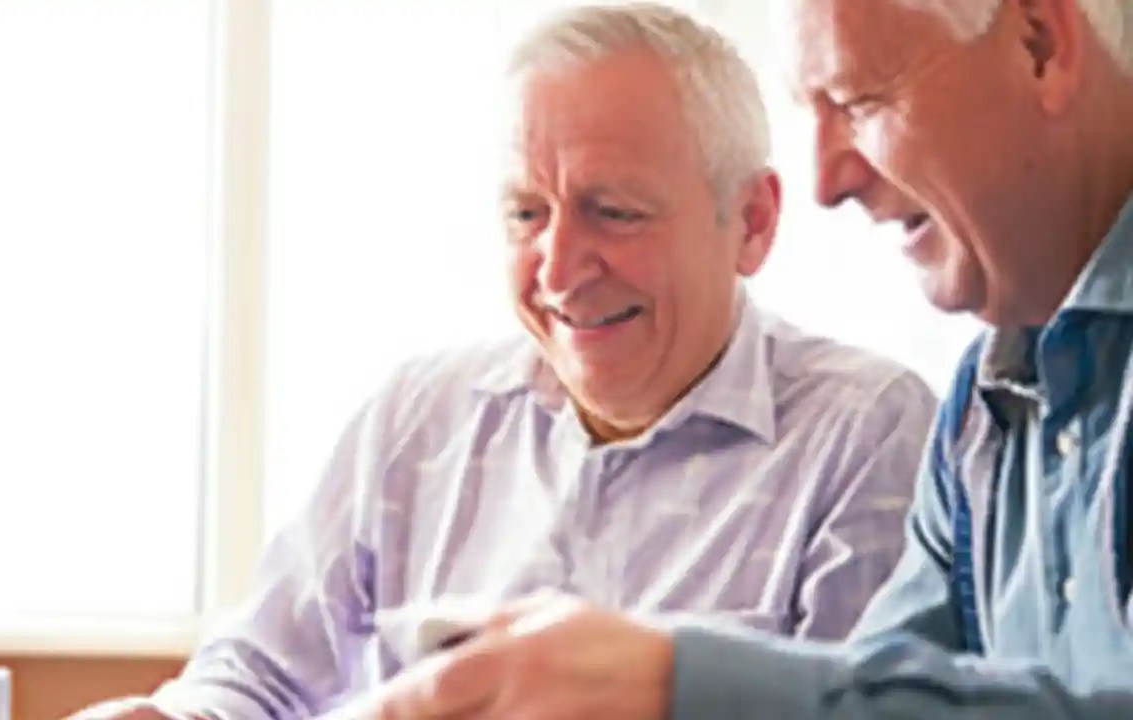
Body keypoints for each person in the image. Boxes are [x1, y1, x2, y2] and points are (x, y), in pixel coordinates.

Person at [69, 5, 937, 719]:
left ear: (751, 221)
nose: (558, 270)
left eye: (613, 212)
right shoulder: (417, 419)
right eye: (527, 214)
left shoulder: (864, 434)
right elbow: (257, 674)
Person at [359, 0, 1133, 718]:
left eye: (861, 102)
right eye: (526, 212)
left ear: (1039, 46)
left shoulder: (872, 425)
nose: (827, 182)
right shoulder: (982, 415)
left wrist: (673, 684)